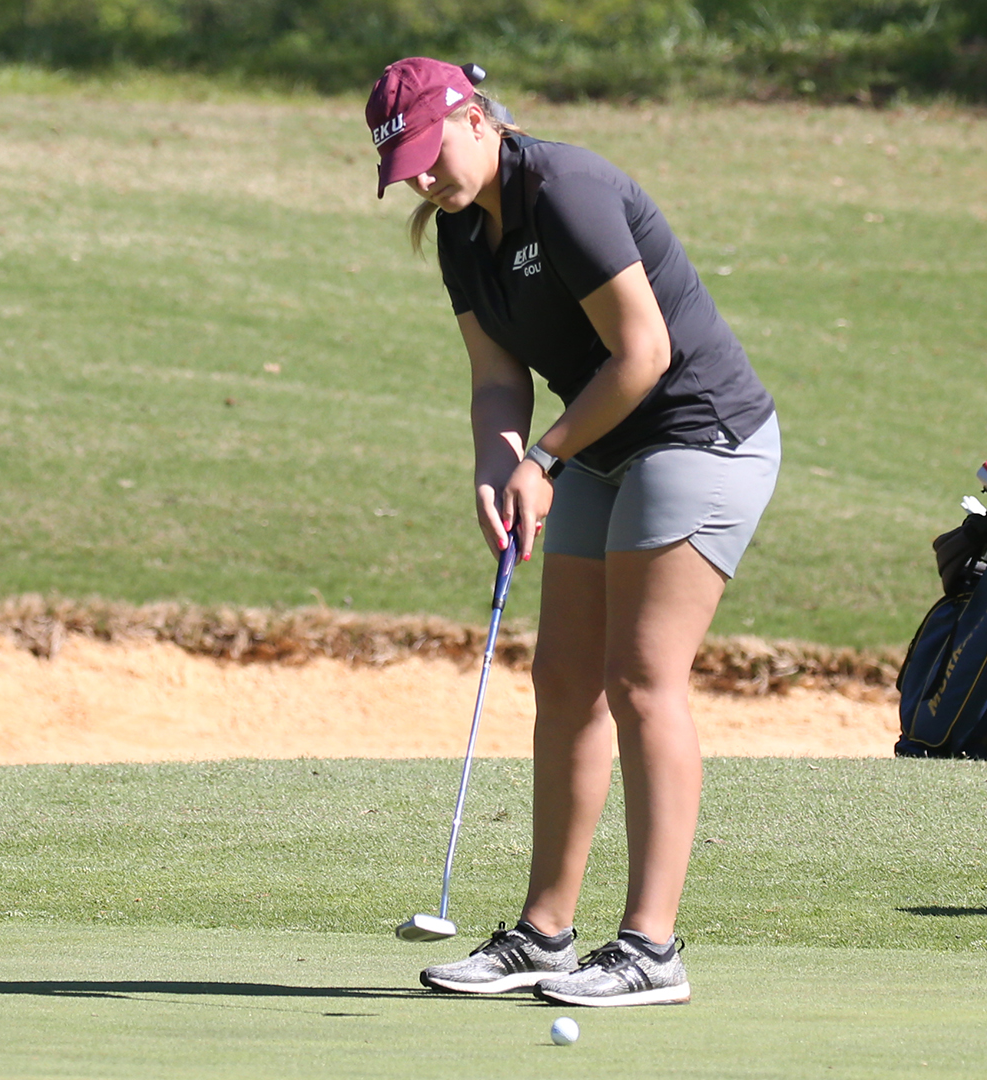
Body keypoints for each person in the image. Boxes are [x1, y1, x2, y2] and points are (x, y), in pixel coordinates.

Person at [364, 58, 780, 1005]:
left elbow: (645, 353)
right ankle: (545, 935)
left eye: (429, 154)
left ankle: (651, 950)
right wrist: (496, 464)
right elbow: (496, 379)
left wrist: (543, 460)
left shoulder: (566, 190)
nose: (423, 180)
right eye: (405, 169)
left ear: (475, 119)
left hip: (699, 432)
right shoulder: (460, 232)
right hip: (601, 443)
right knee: (562, 678)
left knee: (640, 678)